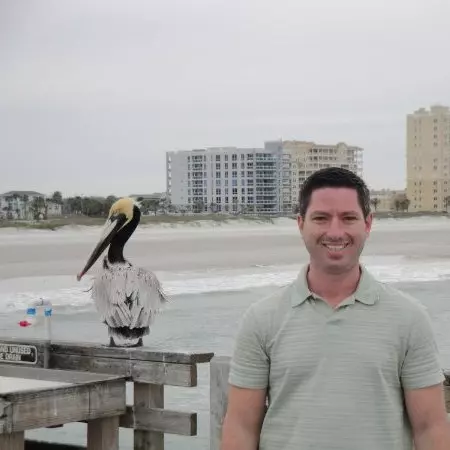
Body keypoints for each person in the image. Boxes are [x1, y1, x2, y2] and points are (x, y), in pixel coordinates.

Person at [220, 167, 450, 450]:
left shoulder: (410, 319)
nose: (335, 231)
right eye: (321, 218)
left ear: (367, 224)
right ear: (301, 224)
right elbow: (241, 426)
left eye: (348, 218)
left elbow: (431, 428)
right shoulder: (261, 319)